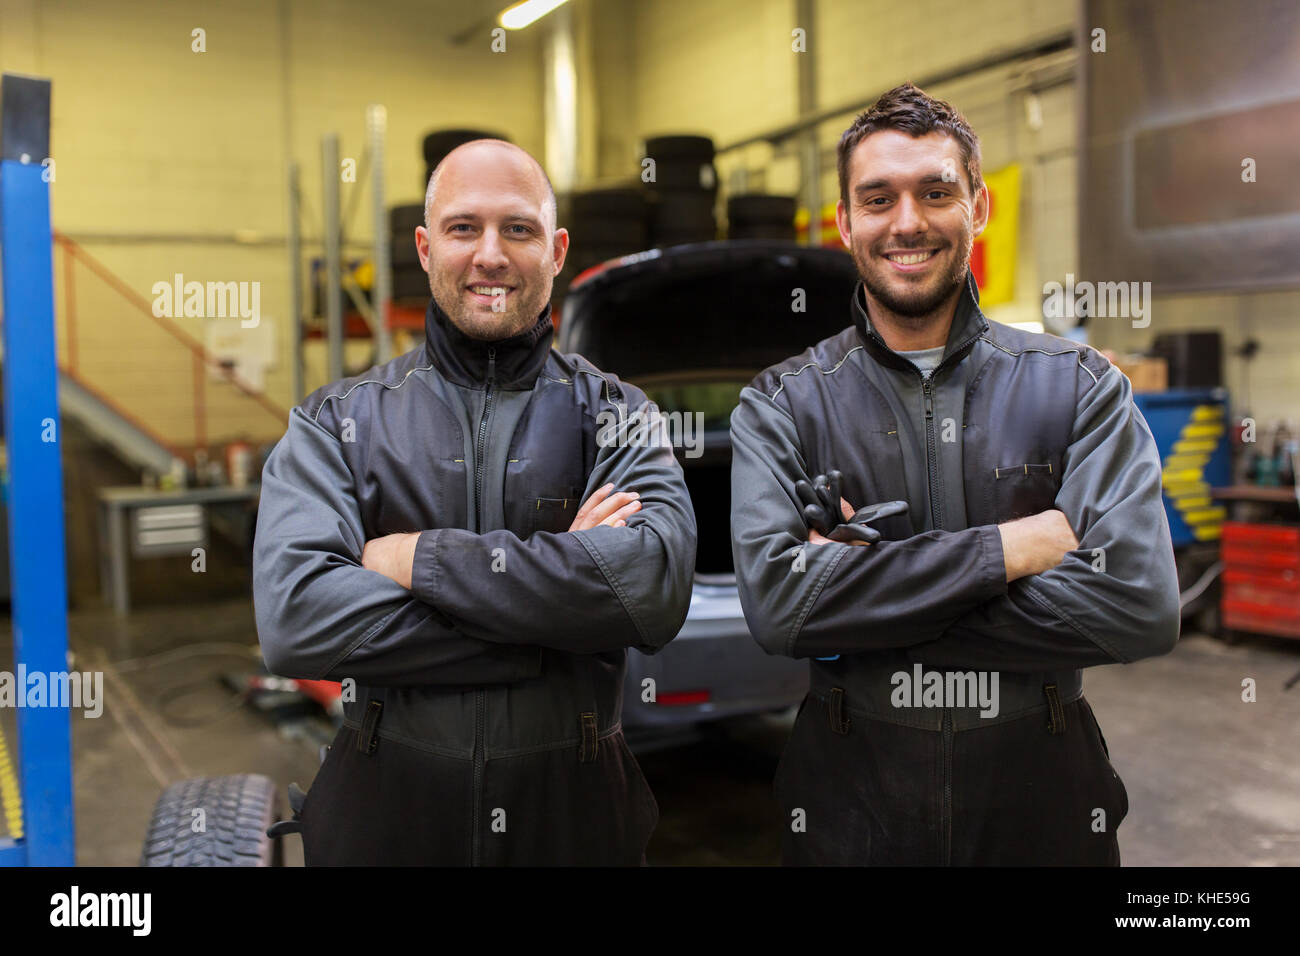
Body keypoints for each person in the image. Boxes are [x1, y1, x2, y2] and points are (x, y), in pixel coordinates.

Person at [729, 83, 1179, 865]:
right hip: (851, 805)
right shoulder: (782, 403)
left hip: (1044, 803)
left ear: (979, 205)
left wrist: (862, 598)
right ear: (845, 222)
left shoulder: (1079, 385)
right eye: (878, 198)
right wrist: (1006, 552)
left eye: (936, 192)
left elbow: (1138, 607)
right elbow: (780, 611)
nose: (908, 221)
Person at [254, 139, 696, 865]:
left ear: (556, 251)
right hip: (386, 820)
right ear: (426, 249)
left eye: (517, 229)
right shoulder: (335, 421)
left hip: (575, 824)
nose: (490, 254)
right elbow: (296, 622)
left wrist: (414, 558)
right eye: (465, 228)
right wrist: (557, 616)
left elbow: (650, 593)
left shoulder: (619, 413)